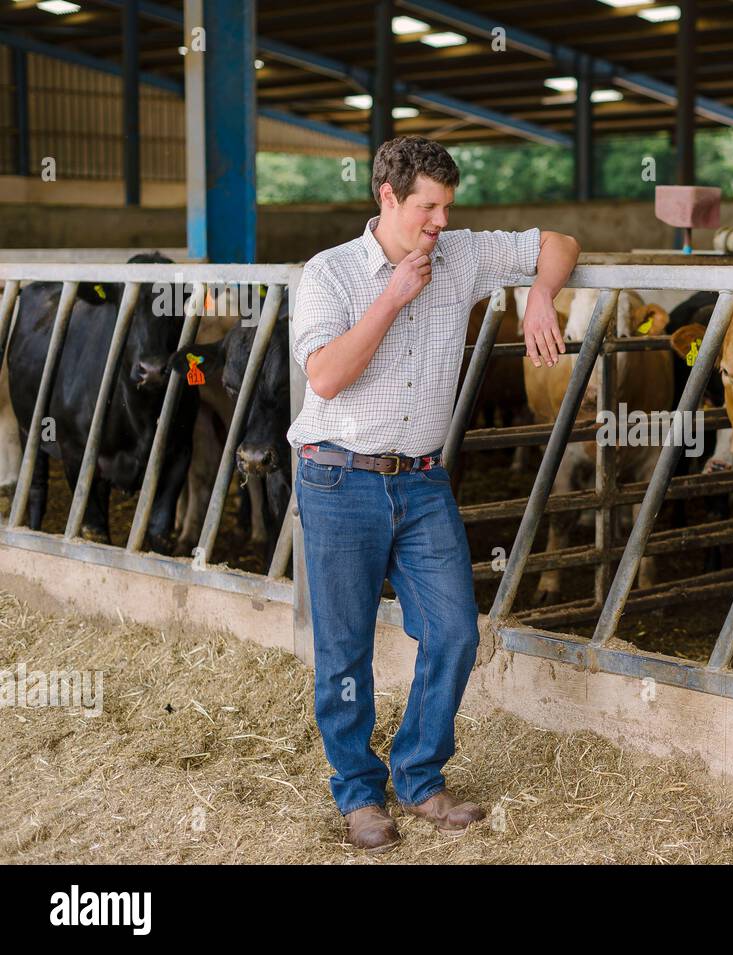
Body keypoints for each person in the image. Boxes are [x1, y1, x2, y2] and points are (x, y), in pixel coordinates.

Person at [286, 135, 579, 852]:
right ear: (387, 197)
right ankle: (358, 792)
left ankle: (418, 774)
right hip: (337, 478)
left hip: (420, 481)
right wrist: (392, 298)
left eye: (448, 206)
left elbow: (559, 240)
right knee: (345, 648)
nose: (441, 221)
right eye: (429, 206)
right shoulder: (328, 274)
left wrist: (540, 293)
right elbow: (325, 377)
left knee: (454, 629)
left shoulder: (462, 254)